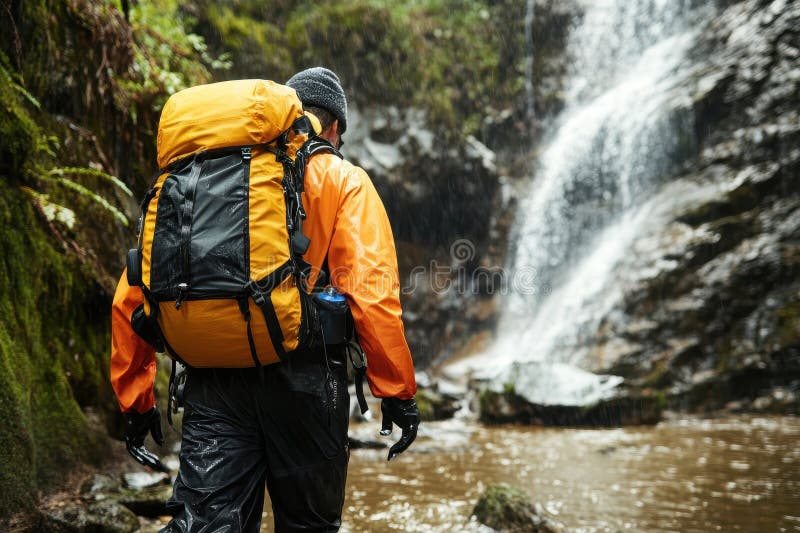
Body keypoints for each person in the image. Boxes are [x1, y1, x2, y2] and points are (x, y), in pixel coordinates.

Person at [110, 67, 420, 532]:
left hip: (213, 376)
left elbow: (132, 298)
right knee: (308, 526)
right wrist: (396, 391)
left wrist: (136, 403)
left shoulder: (195, 175)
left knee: (207, 525)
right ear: (333, 127)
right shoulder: (340, 177)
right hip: (307, 379)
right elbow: (372, 293)